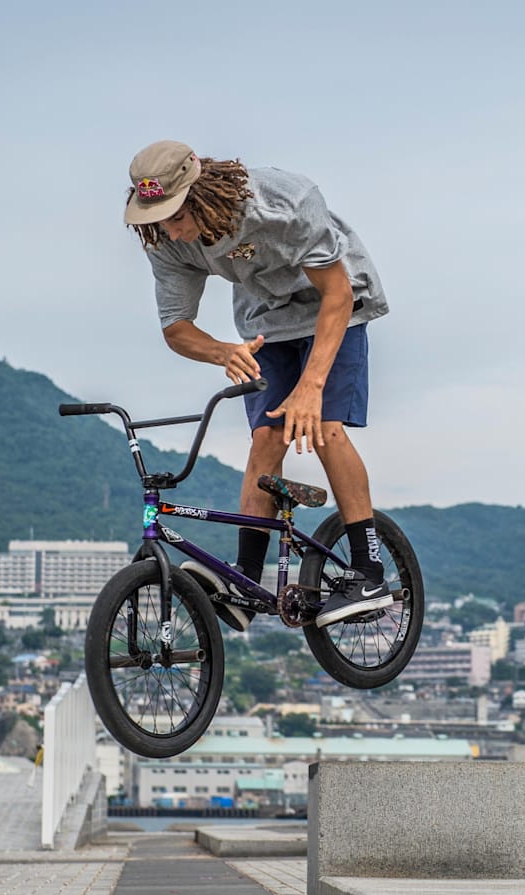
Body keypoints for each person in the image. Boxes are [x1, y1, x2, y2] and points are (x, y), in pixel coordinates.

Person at [124, 140, 392, 631]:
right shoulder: (165, 241)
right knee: (267, 434)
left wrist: (311, 387)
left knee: (324, 425)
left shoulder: (283, 203)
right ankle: (247, 580)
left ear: (202, 194)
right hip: (266, 321)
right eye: (156, 218)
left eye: (176, 215)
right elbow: (176, 329)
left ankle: (370, 571)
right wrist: (223, 352)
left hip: (334, 308)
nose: (169, 228)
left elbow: (336, 293)